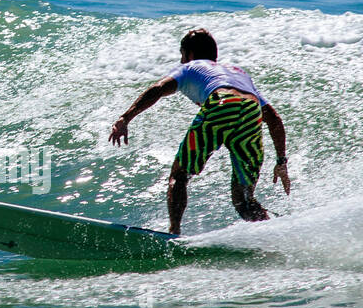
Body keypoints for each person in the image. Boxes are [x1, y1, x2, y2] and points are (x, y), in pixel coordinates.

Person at [108, 28, 290, 235]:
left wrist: (125, 118)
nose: (181, 60)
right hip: (251, 108)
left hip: (222, 102)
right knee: (243, 200)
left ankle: (173, 232)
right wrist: (281, 161)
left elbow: (158, 89)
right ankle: (273, 235)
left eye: (182, 55)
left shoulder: (190, 67)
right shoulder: (237, 72)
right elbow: (273, 118)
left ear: (189, 54)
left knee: (180, 174)